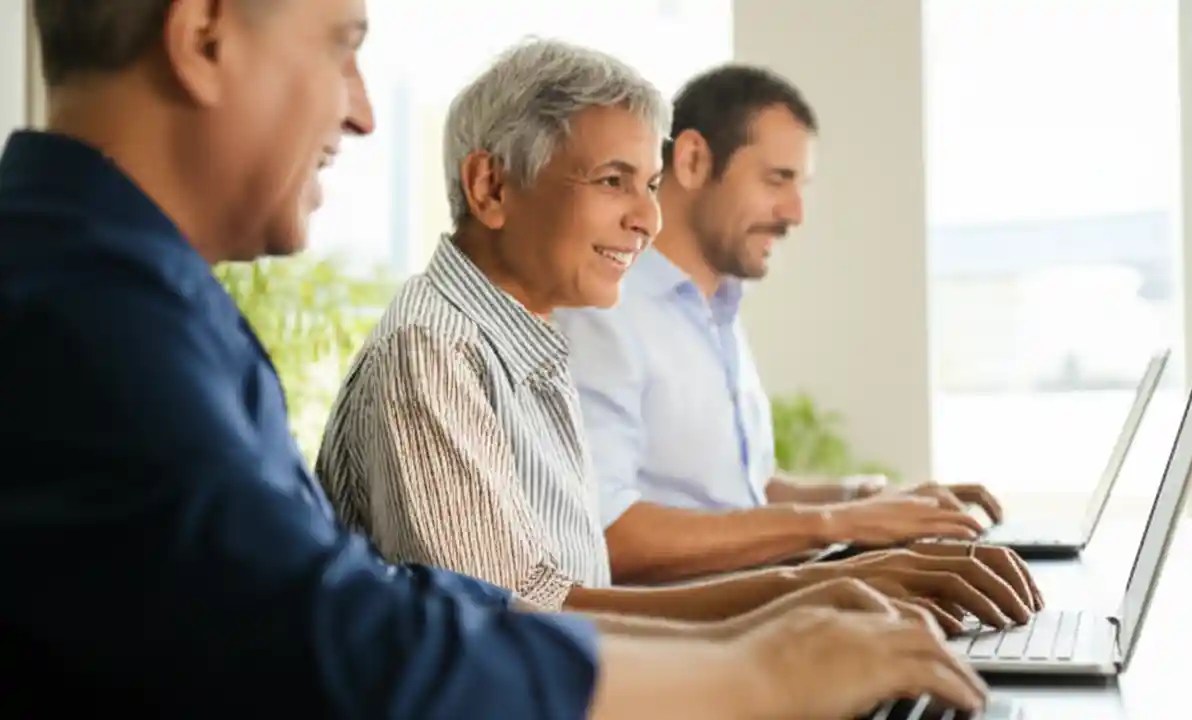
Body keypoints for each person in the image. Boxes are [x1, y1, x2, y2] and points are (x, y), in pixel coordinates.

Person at [0, 1, 991, 717]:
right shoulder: (92, 325)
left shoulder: (134, 300)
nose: (361, 112)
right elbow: (353, 651)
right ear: (204, 35)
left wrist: (780, 617)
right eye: (341, 46)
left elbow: (400, 606)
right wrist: (759, 668)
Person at [315, 38, 1042, 635]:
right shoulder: (434, 352)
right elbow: (516, 630)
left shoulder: (520, 341)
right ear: (492, 189)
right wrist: (822, 586)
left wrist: (840, 567)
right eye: (612, 181)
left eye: (648, 184)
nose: (649, 218)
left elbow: (561, 592)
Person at [553, 64, 1011, 587]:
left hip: (763, 607)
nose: (795, 212)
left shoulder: (715, 308)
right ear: (693, 159)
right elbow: (606, 533)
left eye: (801, 185)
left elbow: (737, 493)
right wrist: (832, 524)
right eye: (778, 179)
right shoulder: (603, 311)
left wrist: (869, 498)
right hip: (693, 639)